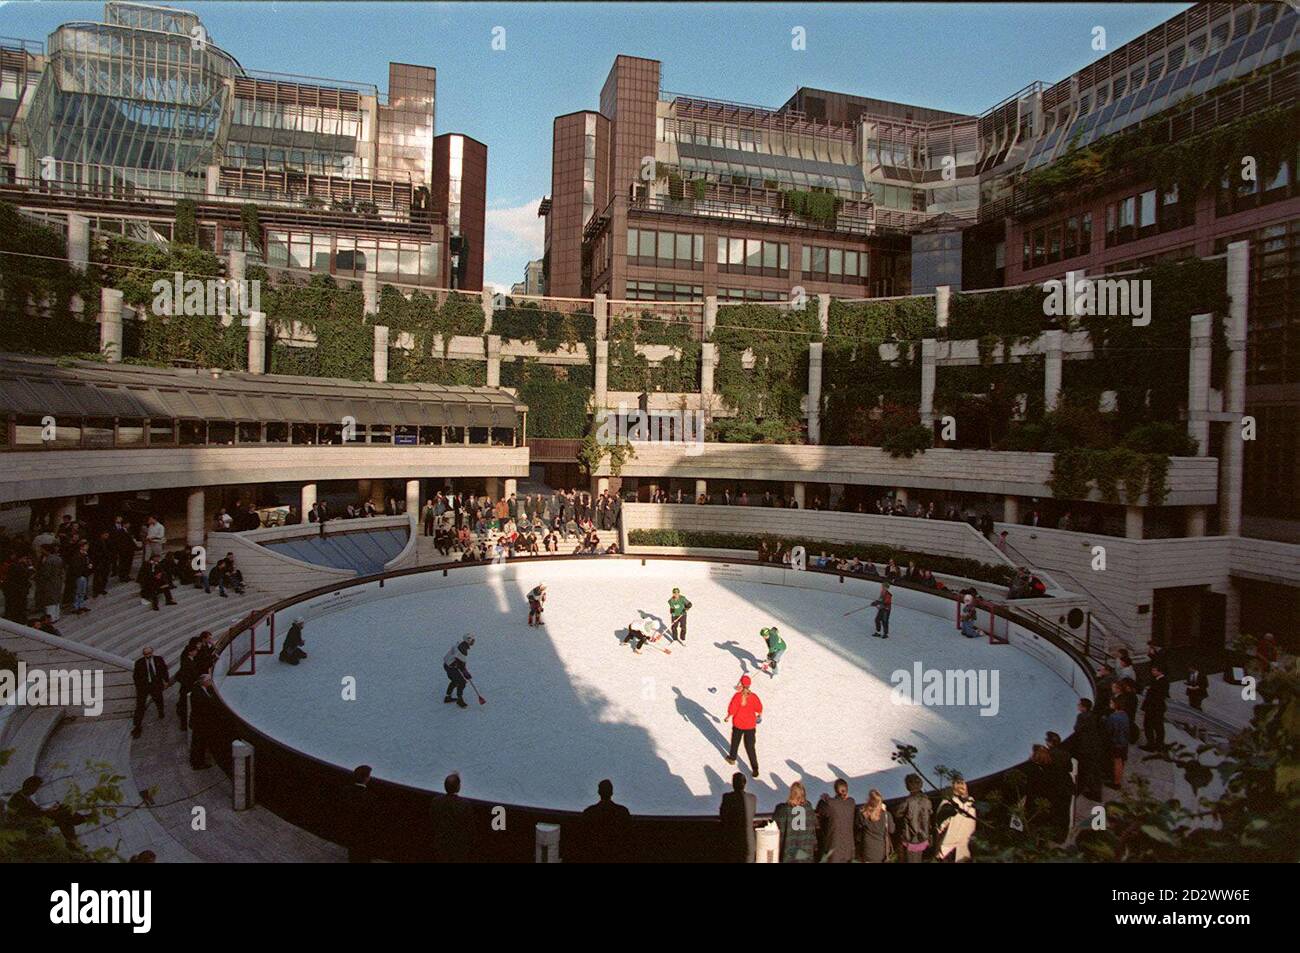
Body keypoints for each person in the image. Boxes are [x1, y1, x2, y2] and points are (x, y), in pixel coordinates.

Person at [576, 779, 633, 863]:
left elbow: (583, 838)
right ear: (612, 792)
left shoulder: (589, 812)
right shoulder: (623, 812)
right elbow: (628, 837)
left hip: (595, 855)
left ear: (599, 792)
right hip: (616, 855)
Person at [429, 771, 475, 862]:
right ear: (458, 787)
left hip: (441, 842)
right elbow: (470, 827)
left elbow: (432, 820)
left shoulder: (436, 801)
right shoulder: (464, 805)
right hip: (458, 846)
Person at [724, 675, 762, 776]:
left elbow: (732, 708)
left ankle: (732, 758)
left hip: (738, 724)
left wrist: (728, 716)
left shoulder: (737, 696)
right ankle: (755, 768)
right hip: (750, 726)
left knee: (735, 742)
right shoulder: (753, 696)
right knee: (750, 747)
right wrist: (759, 714)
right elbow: (759, 708)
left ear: (741, 684)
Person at [933, 777, 977, 862]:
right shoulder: (948, 805)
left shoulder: (972, 805)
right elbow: (939, 827)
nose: (961, 786)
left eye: (962, 783)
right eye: (958, 784)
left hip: (963, 847)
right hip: (949, 847)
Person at [1069, 698, 1105, 801]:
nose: (1078, 706)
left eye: (1079, 705)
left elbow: (1077, 729)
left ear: (1083, 707)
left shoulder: (1081, 717)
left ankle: (1094, 793)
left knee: (1087, 770)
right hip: (1095, 746)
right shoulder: (1093, 715)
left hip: (1086, 748)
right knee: (1094, 770)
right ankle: (1095, 791)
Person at [772, 781, 817, 863]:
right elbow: (814, 829)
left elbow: (775, 826)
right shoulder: (809, 808)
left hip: (789, 854)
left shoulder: (783, 809)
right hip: (806, 855)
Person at [815, 778, 857, 863]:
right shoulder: (851, 802)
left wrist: (824, 799)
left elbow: (820, 810)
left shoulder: (830, 804)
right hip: (849, 849)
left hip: (834, 850)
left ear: (835, 789)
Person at [131, 646, 169, 739]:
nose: (148, 655)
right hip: (144, 687)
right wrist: (139, 687)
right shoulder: (139, 663)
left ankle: (161, 712)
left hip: (155, 685)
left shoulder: (159, 659)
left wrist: (166, 681)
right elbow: (136, 676)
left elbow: (164, 670)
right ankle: (137, 725)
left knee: (159, 700)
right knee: (140, 706)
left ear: (152, 652)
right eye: (146, 654)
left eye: (149, 653)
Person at [718, 772, 757, 863]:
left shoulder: (727, 798)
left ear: (733, 784)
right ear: (745, 783)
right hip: (749, 843)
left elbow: (723, 816)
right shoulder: (752, 798)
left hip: (732, 842)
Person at [341, 765, 376, 863]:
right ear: (366, 778)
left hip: (350, 829)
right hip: (363, 833)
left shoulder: (346, 790)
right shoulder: (370, 797)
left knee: (353, 851)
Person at [895, 773, 932, 862]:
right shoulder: (927, 801)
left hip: (912, 838)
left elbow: (898, 814)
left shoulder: (908, 802)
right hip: (923, 836)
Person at [856, 789, 895, 863]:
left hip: (867, 850)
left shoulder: (862, 814)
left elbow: (858, 825)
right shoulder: (886, 815)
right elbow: (892, 830)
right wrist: (884, 810)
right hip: (881, 852)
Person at [188, 674, 218, 769]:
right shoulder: (198, 693)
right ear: (203, 682)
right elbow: (204, 706)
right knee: (199, 743)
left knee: (198, 743)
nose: (210, 682)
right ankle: (197, 763)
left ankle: (196, 761)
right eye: (209, 680)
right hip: (200, 723)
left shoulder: (200, 689)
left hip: (199, 722)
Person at [175, 639, 202, 732]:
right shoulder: (187, 663)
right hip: (187, 688)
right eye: (195, 651)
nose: (196, 652)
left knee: (184, 706)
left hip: (187, 687)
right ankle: (183, 725)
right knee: (185, 707)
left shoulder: (190, 660)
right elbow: (187, 676)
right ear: (190, 652)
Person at [1140, 664, 1169, 752]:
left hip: (1154, 708)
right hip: (1154, 707)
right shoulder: (1157, 680)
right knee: (1157, 726)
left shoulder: (1162, 681)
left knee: (1151, 726)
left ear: (1160, 671)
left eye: (1154, 670)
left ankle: (1152, 744)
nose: (1152, 672)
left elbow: (1157, 696)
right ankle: (1157, 744)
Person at [1105, 694, 1131, 788]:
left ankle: (1116, 783)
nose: (1110, 704)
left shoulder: (1113, 717)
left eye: (1111, 702)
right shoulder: (1124, 714)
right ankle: (1117, 780)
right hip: (1123, 742)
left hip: (1116, 743)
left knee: (1117, 762)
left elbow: (1109, 731)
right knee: (1119, 762)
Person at [442, 635, 475, 708]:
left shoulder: (460, 644)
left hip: (447, 665)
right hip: (451, 667)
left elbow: (460, 664)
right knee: (462, 682)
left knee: (455, 681)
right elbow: (462, 666)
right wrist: (466, 674)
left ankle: (448, 697)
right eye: (472, 641)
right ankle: (459, 700)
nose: (473, 642)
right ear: (468, 641)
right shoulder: (462, 651)